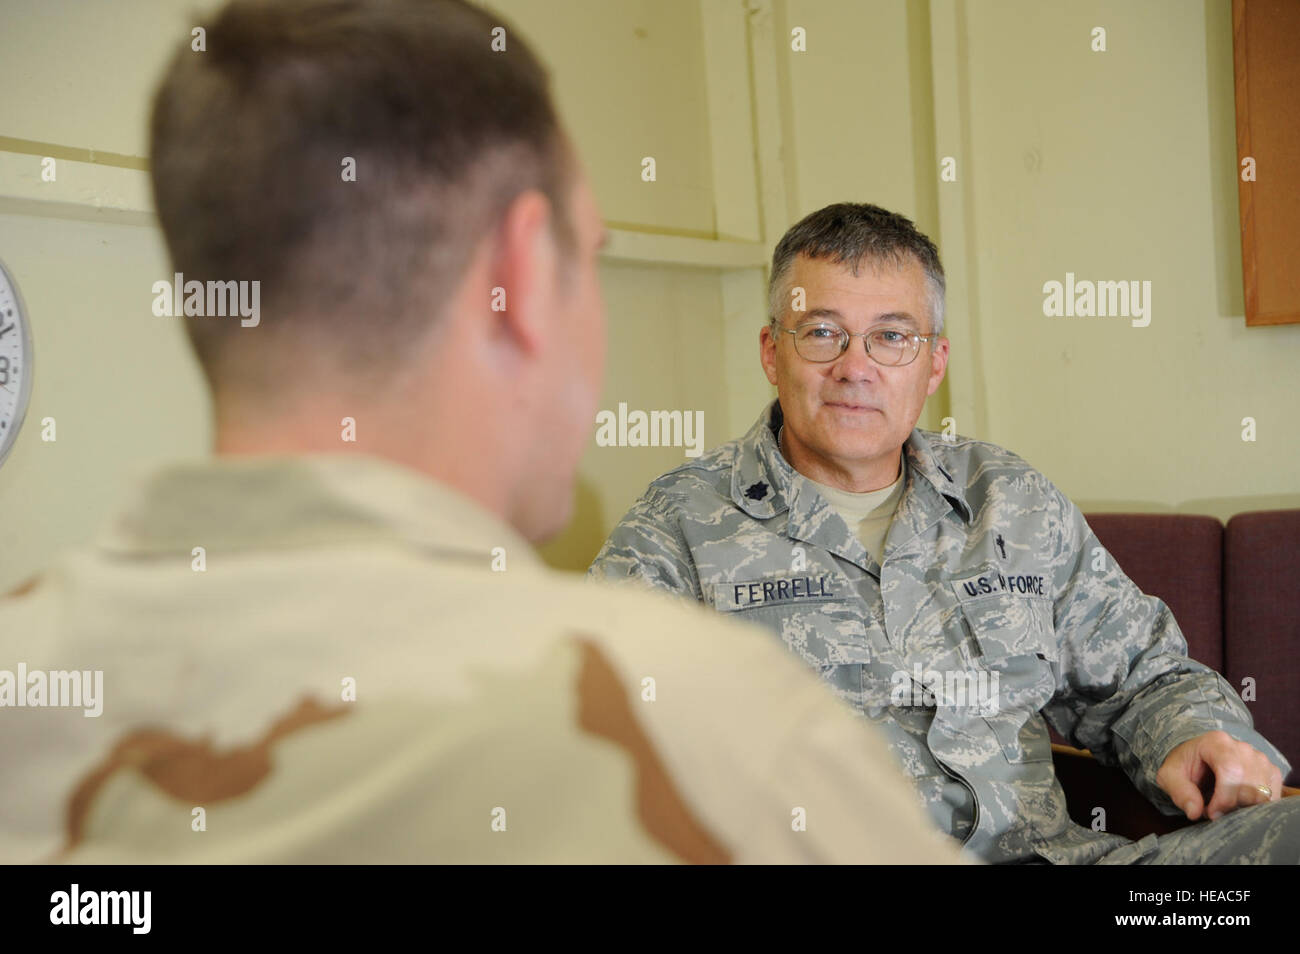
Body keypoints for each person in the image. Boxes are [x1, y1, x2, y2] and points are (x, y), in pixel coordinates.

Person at [0, 0, 964, 865]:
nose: (855, 366)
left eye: (891, 338)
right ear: (520, 279)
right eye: (587, 258)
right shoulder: (715, 729)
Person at [589, 201, 1300, 864]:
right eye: (822, 333)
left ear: (934, 363)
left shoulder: (1008, 500)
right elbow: (586, 741)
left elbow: (1146, 678)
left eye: (891, 337)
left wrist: (1198, 734)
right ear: (774, 353)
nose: (855, 368)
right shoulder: (678, 529)